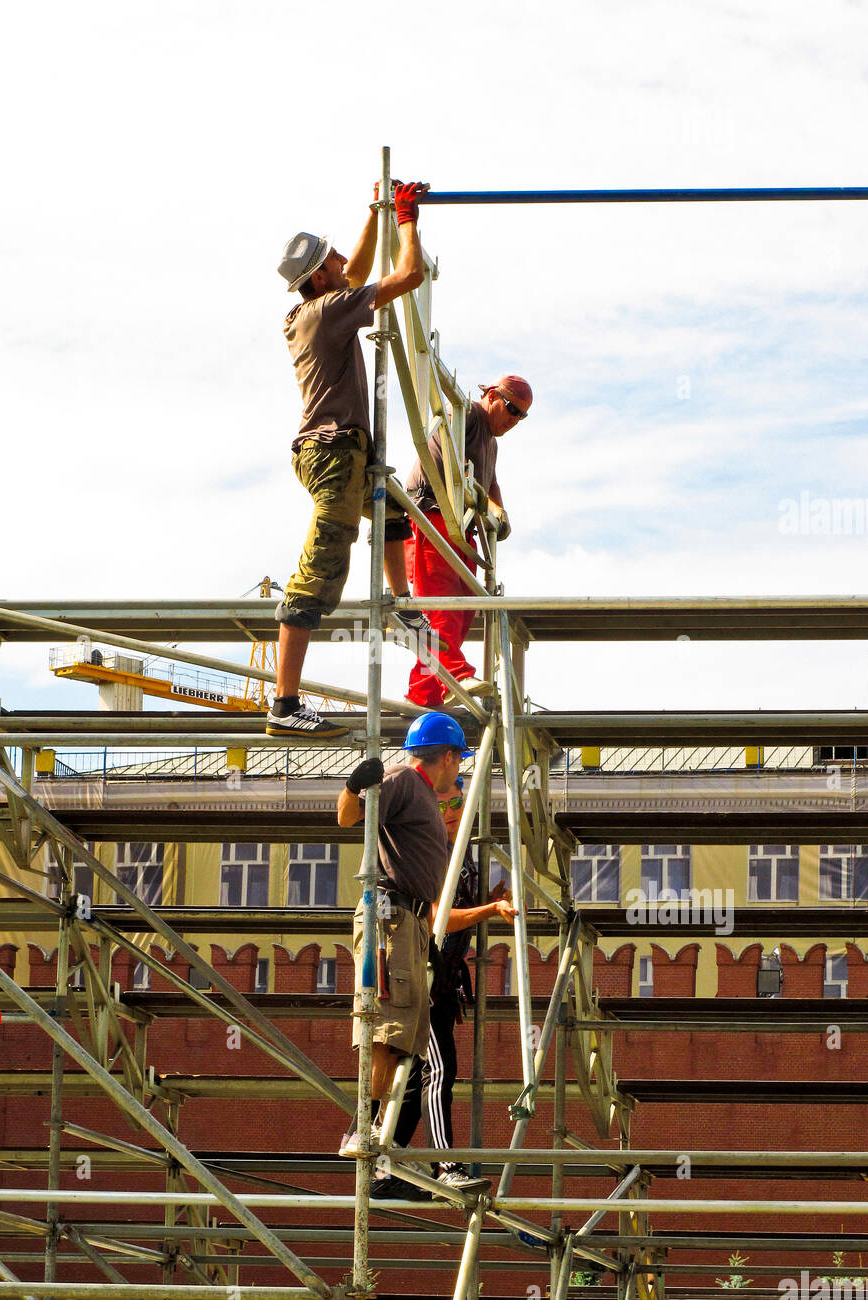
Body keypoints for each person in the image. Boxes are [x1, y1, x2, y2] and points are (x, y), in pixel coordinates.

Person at [269, 182, 445, 738]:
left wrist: (377, 213)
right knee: (320, 571)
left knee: (392, 507)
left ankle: (401, 601)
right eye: (335, 259)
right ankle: (285, 704)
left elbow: (355, 270)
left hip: (337, 450)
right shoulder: (332, 309)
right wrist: (407, 221)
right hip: (334, 452)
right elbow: (407, 276)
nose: (347, 260)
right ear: (320, 277)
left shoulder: (315, 308)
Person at [370, 776, 518, 1200]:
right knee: (438, 1069)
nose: (451, 812)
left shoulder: (462, 852)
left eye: (457, 802)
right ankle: (447, 1166)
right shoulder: (429, 850)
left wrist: (484, 898)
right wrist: (489, 909)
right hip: (423, 978)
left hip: (442, 981)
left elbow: (455, 909)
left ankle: (383, 1168)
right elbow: (438, 918)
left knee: (415, 1079)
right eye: (441, 805)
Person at [336, 712, 472, 1164]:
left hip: (408, 921)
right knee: (387, 1030)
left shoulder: (423, 794)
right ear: (449, 756)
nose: (459, 769)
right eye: (459, 759)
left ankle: (376, 1130)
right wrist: (355, 786)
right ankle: (362, 1128)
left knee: (403, 1036)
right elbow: (347, 816)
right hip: (391, 918)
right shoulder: (404, 780)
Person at [404, 374, 533, 709]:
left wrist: (499, 509)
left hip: (459, 527)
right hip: (433, 516)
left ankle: (425, 693)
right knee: (440, 602)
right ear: (491, 395)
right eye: (511, 409)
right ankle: (455, 674)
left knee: (463, 608)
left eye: (522, 416)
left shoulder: (491, 442)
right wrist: (487, 505)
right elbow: (450, 453)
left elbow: (489, 483)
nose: (514, 420)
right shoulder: (467, 414)